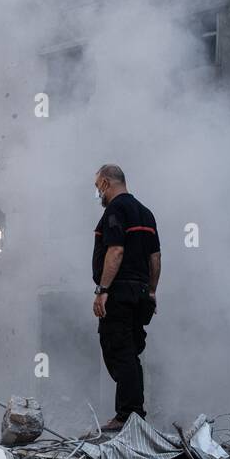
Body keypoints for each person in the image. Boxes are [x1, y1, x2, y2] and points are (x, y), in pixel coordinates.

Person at [91, 164, 160, 433]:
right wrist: (151, 291)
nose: (99, 194)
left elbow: (116, 251)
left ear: (107, 183)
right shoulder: (146, 213)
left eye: (99, 187)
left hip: (119, 291)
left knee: (118, 350)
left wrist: (103, 290)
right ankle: (133, 413)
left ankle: (128, 415)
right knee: (130, 352)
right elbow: (155, 259)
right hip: (141, 292)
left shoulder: (115, 210)